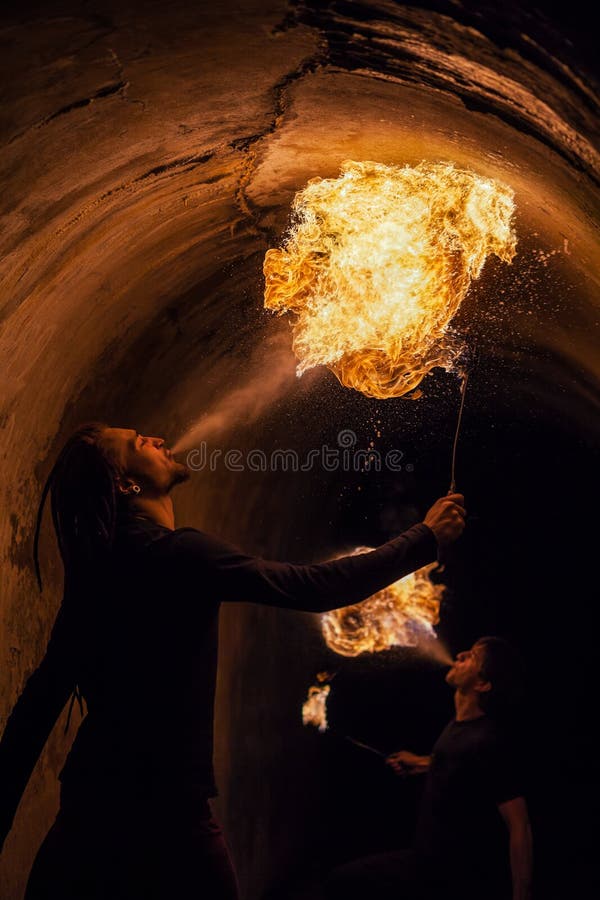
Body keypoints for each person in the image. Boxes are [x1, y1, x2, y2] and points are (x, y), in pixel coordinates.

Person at [0, 423, 466, 899]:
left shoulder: (98, 574)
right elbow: (315, 587)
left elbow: (37, 707)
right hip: (170, 812)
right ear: (125, 484)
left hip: (91, 803)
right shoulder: (180, 554)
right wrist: (424, 538)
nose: (158, 438)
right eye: (138, 442)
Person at [324, 637, 533, 900]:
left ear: (482, 683)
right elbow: (458, 763)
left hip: (451, 875)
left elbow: (519, 826)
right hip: (424, 859)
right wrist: (421, 763)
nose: (459, 654)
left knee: (343, 884)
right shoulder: (459, 727)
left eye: (472, 657)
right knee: (341, 881)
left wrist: (521, 895)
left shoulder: (490, 741)